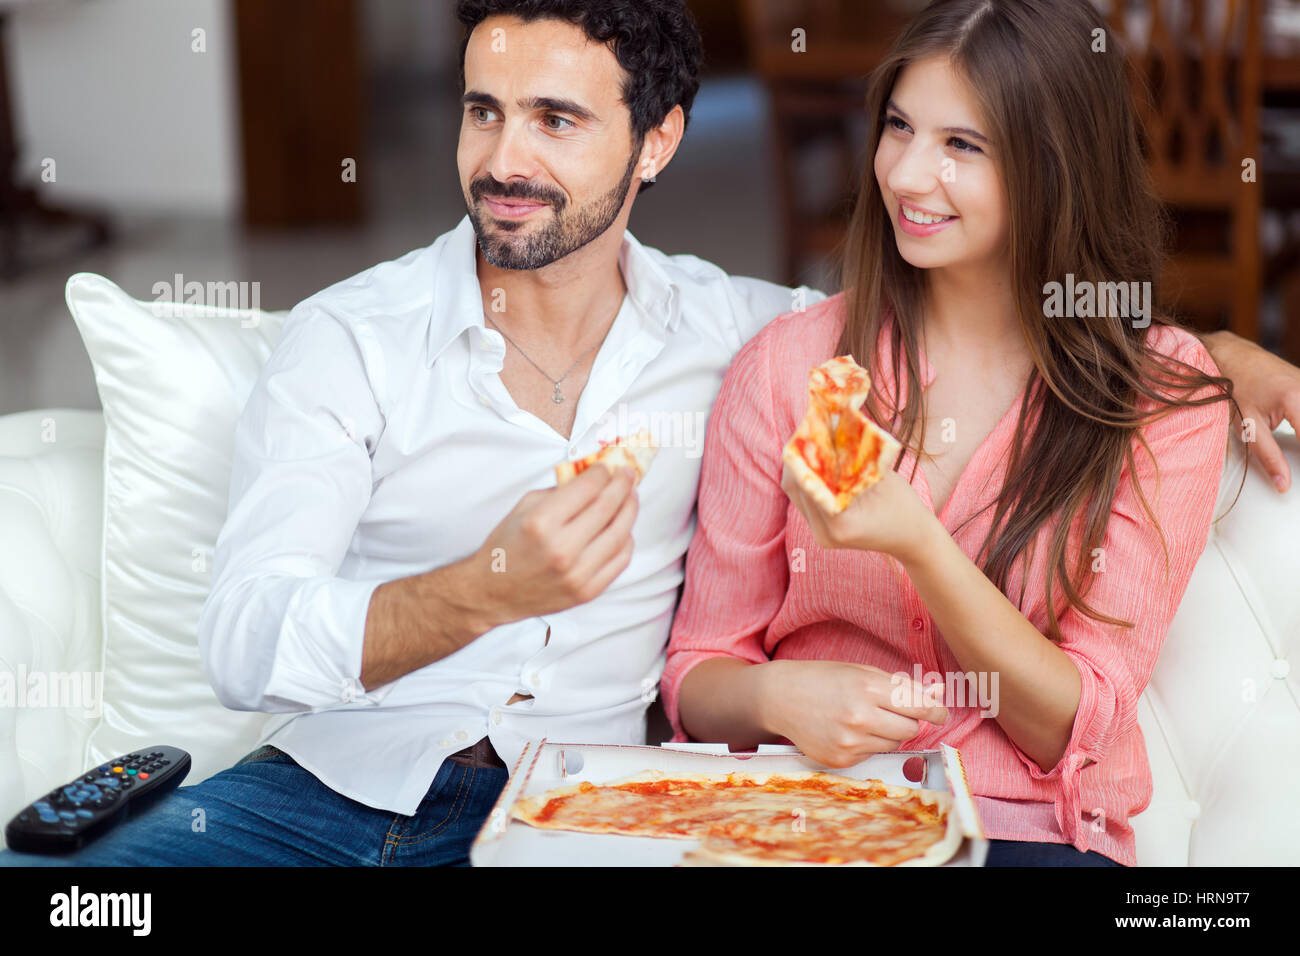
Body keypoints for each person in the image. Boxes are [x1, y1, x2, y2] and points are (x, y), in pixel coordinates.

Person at [1, 0, 1295, 868]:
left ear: (659, 141)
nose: (504, 160)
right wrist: (476, 592)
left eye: (558, 121)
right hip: (334, 790)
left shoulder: (735, 335)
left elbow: (983, 325)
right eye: (482, 110)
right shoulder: (351, 339)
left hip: (593, 817)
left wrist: (1195, 356)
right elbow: (242, 639)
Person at [661, 0, 1276, 868]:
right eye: (900, 127)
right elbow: (696, 674)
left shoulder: (1160, 399)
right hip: (811, 818)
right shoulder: (787, 369)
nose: (909, 175)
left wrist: (917, 544)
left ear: (1055, 168)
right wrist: (774, 695)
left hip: (1025, 836)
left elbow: (1071, 723)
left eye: (962, 146)